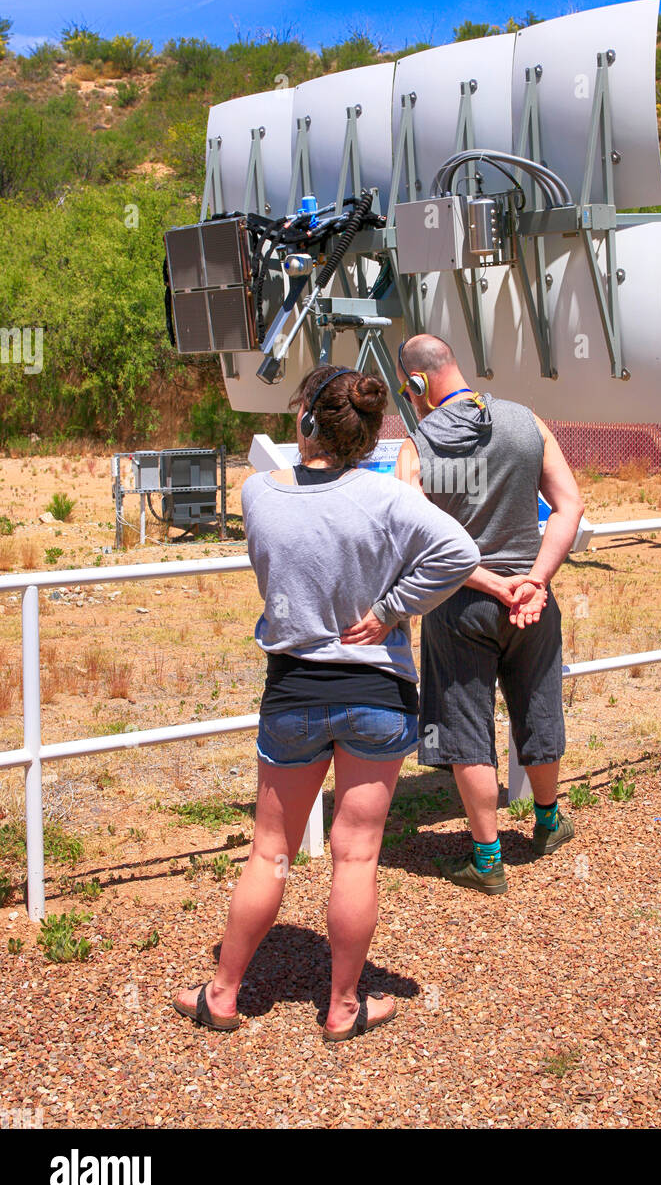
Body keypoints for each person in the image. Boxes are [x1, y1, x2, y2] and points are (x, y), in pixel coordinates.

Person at [173, 366, 479, 1039]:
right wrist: (391, 608)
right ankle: (343, 1007)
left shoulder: (259, 492)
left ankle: (222, 995)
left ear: (308, 419)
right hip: (377, 694)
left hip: (294, 691)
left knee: (270, 852)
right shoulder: (388, 497)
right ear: (367, 433)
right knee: (358, 855)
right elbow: (459, 552)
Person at [393, 334, 584, 895]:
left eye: (408, 389)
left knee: (464, 727)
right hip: (532, 604)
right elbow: (570, 504)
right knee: (539, 705)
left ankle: (487, 858)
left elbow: (415, 538)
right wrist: (534, 581)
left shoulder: (416, 446)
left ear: (417, 383)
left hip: (459, 606)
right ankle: (547, 822)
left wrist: (487, 581)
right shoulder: (528, 422)